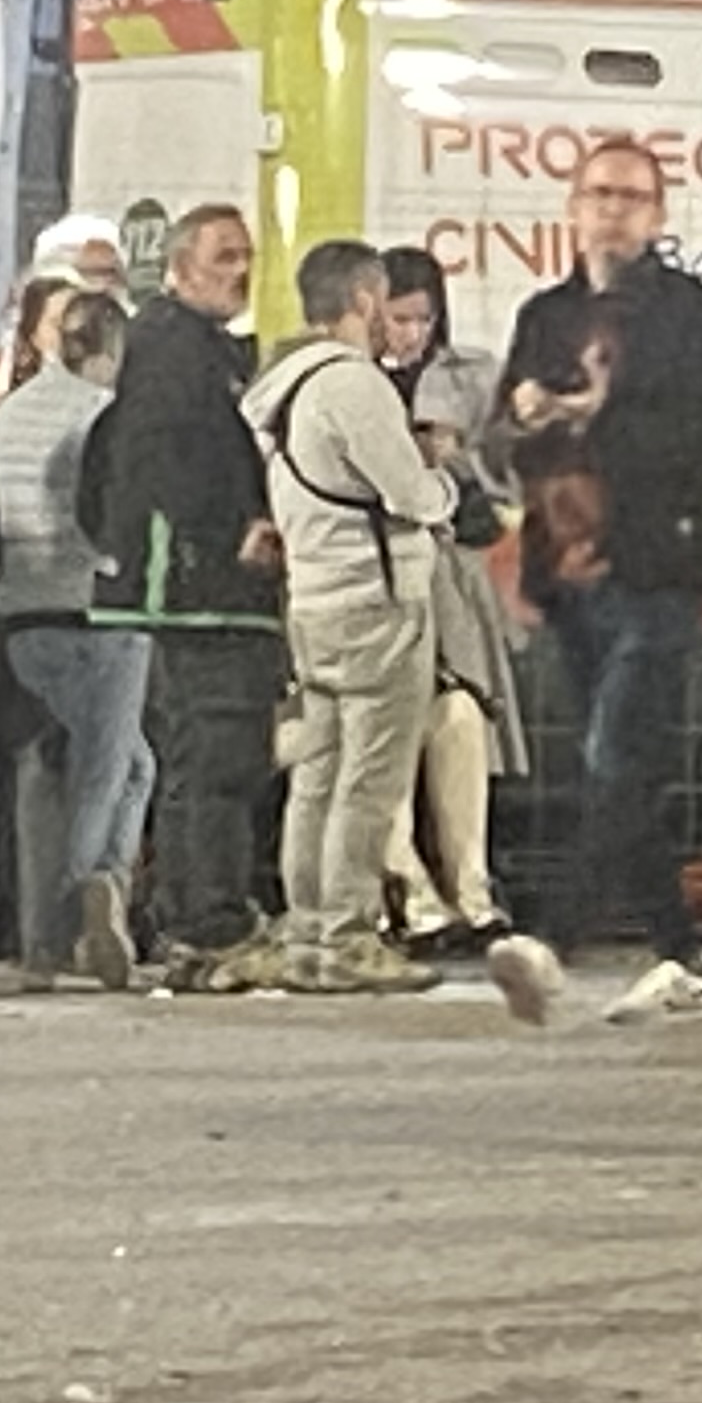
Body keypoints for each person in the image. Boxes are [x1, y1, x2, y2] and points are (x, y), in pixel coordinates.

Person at [479, 141, 702, 1026]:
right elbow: (508, 437)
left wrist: (600, 412)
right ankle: (679, 952)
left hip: (659, 567)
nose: (613, 211)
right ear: (572, 207)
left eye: (632, 197)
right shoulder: (546, 315)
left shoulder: (696, 316)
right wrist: (524, 416)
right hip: (570, 569)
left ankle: (550, 942)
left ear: (659, 216)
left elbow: (700, 436)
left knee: (614, 755)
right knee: (623, 774)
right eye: (598, 194)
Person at [83, 202, 284, 992]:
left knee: (197, 761)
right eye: (224, 256)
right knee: (218, 757)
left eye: (246, 257)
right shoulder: (175, 349)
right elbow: (166, 459)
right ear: (179, 264)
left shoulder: (181, 346)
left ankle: (186, 917)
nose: (239, 271)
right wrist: (231, 528)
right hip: (199, 589)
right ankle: (209, 924)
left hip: (185, 584)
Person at [245, 241, 453, 994]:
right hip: (376, 599)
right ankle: (348, 935)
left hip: (313, 599)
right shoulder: (354, 386)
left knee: (318, 776)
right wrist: (441, 482)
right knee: (371, 780)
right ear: (364, 299)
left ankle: (306, 931)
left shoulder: (285, 383)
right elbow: (409, 494)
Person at [0, 289, 147, 991]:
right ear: (110, 349)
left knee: (108, 767)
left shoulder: (9, 413)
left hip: (21, 614)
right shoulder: (105, 415)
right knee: (108, 768)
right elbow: (112, 515)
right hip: (95, 608)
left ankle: (47, 939)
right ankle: (89, 896)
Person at [376, 248, 522, 953]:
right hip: (373, 573)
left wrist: (458, 463)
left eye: (423, 319)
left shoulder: (471, 376)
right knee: (386, 725)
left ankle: (473, 887)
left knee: (461, 711)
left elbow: (506, 482)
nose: (410, 334)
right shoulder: (344, 380)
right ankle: (408, 890)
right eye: (399, 318)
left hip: (448, 571)